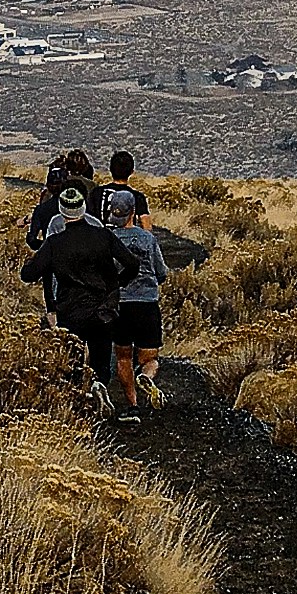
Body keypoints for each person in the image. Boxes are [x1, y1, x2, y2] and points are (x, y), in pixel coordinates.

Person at [20, 192, 140, 414]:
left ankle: (79, 406)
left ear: (63, 213)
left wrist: (33, 262)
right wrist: (115, 285)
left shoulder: (55, 243)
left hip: (70, 312)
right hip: (102, 310)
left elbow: (28, 275)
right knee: (101, 357)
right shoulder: (104, 236)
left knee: (72, 362)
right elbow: (132, 263)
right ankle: (99, 386)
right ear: (83, 209)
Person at [93, 161, 169, 413]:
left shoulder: (106, 239)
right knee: (150, 358)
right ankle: (146, 376)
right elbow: (161, 272)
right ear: (133, 211)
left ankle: (132, 403)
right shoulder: (147, 239)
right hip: (146, 303)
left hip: (120, 305)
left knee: (123, 357)